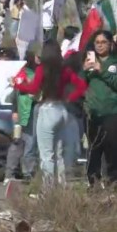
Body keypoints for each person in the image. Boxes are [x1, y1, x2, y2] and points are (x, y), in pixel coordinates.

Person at [16, 41, 88, 186]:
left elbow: (33, 89)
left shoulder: (42, 69)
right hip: (62, 109)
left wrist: (16, 84)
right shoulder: (65, 70)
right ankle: (61, 186)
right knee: (59, 153)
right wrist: (70, 98)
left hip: (47, 109)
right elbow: (82, 85)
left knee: (46, 154)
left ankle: (48, 189)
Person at [81, 30, 117, 186]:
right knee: (94, 150)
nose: (100, 45)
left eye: (103, 42)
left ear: (110, 44)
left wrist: (101, 70)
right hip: (92, 114)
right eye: (97, 42)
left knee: (112, 150)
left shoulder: (113, 63)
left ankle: (112, 184)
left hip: (111, 113)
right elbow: (77, 86)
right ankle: (93, 184)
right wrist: (83, 70)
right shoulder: (89, 63)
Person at [4, 45, 40, 185]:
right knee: (17, 142)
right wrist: (15, 110)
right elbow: (15, 92)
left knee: (31, 143)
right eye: (37, 55)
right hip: (20, 112)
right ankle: (9, 173)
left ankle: (28, 172)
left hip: (34, 111)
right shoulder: (21, 72)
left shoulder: (41, 71)